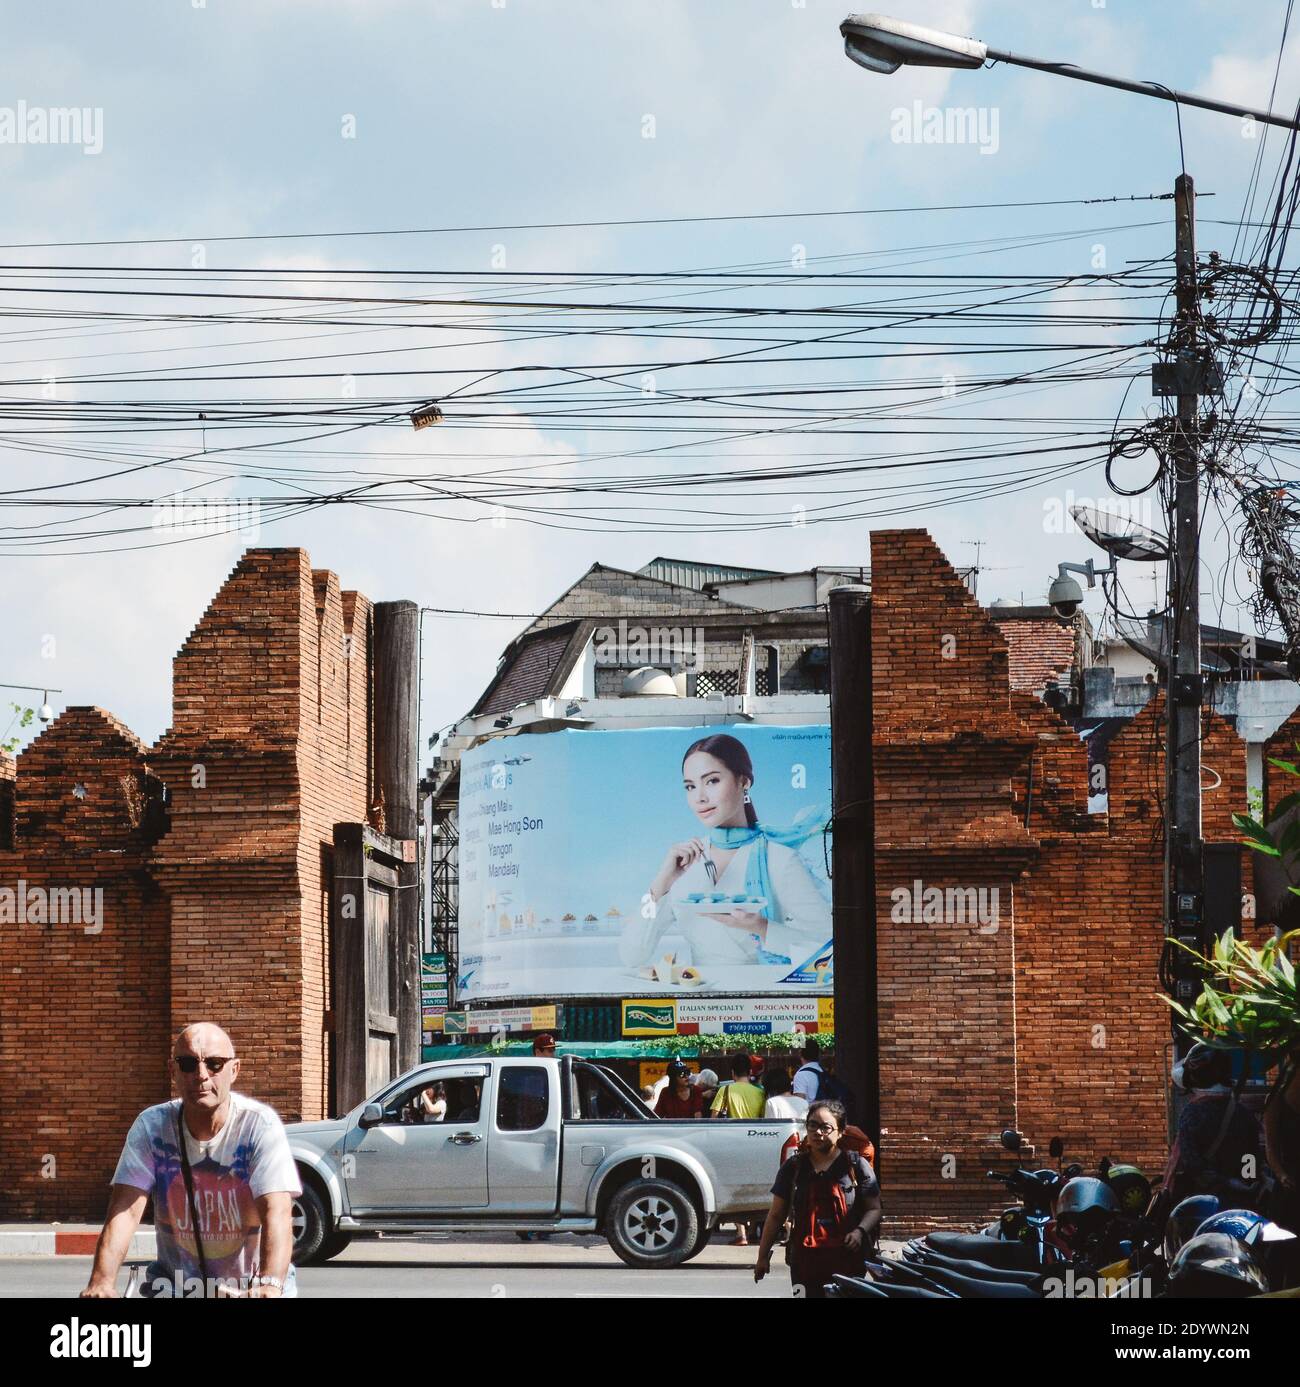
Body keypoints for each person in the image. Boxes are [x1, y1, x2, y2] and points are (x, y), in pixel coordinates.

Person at [81, 1022, 300, 1299]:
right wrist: (102, 1281)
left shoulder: (258, 1125)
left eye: (215, 1064)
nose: (201, 1075)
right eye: (188, 1064)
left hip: (250, 1286)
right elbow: (126, 1210)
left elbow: (276, 1211)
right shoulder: (152, 1126)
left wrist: (270, 1284)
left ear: (235, 1070)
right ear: (173, 1071)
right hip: (175, 1286)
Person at [622, 734, 830, 972]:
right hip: (698, 1002)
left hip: (767, 1002)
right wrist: (660, 883)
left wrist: (762, 927)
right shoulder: (684, 863)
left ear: (744, 782)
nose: (699, 797)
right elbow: (632, 956)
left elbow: (830, 947)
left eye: (711, 781)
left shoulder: (779, 860)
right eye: (690, 786)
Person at [754, 1099, 881, 1299]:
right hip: (804, 1263)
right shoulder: (793, 1167)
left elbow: (874, 1208)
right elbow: (776, 1215)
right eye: (812, 1125)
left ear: (840, 1132)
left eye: (825, 1127)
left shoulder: (855, 1166)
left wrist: (859, 1231)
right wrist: (762, 1257)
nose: (817, 1132)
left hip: (848, 1260)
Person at [1166, 1043, 1268, 1209]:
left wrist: (1222, 1181)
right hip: (1240, 1201)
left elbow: (1190, 1161)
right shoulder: (1242, 1112)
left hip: (1201, 1201)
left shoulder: (1193, 1112)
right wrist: (1246, 1183)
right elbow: (1251, 1156)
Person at [711, 1053, 767, 1121]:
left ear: (732, 1072)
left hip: (732, 1131)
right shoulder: (761, 1093)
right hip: (752, 1131)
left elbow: (713, 1118)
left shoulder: (725, 1090)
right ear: (750, 1072)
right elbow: (764, 1118)